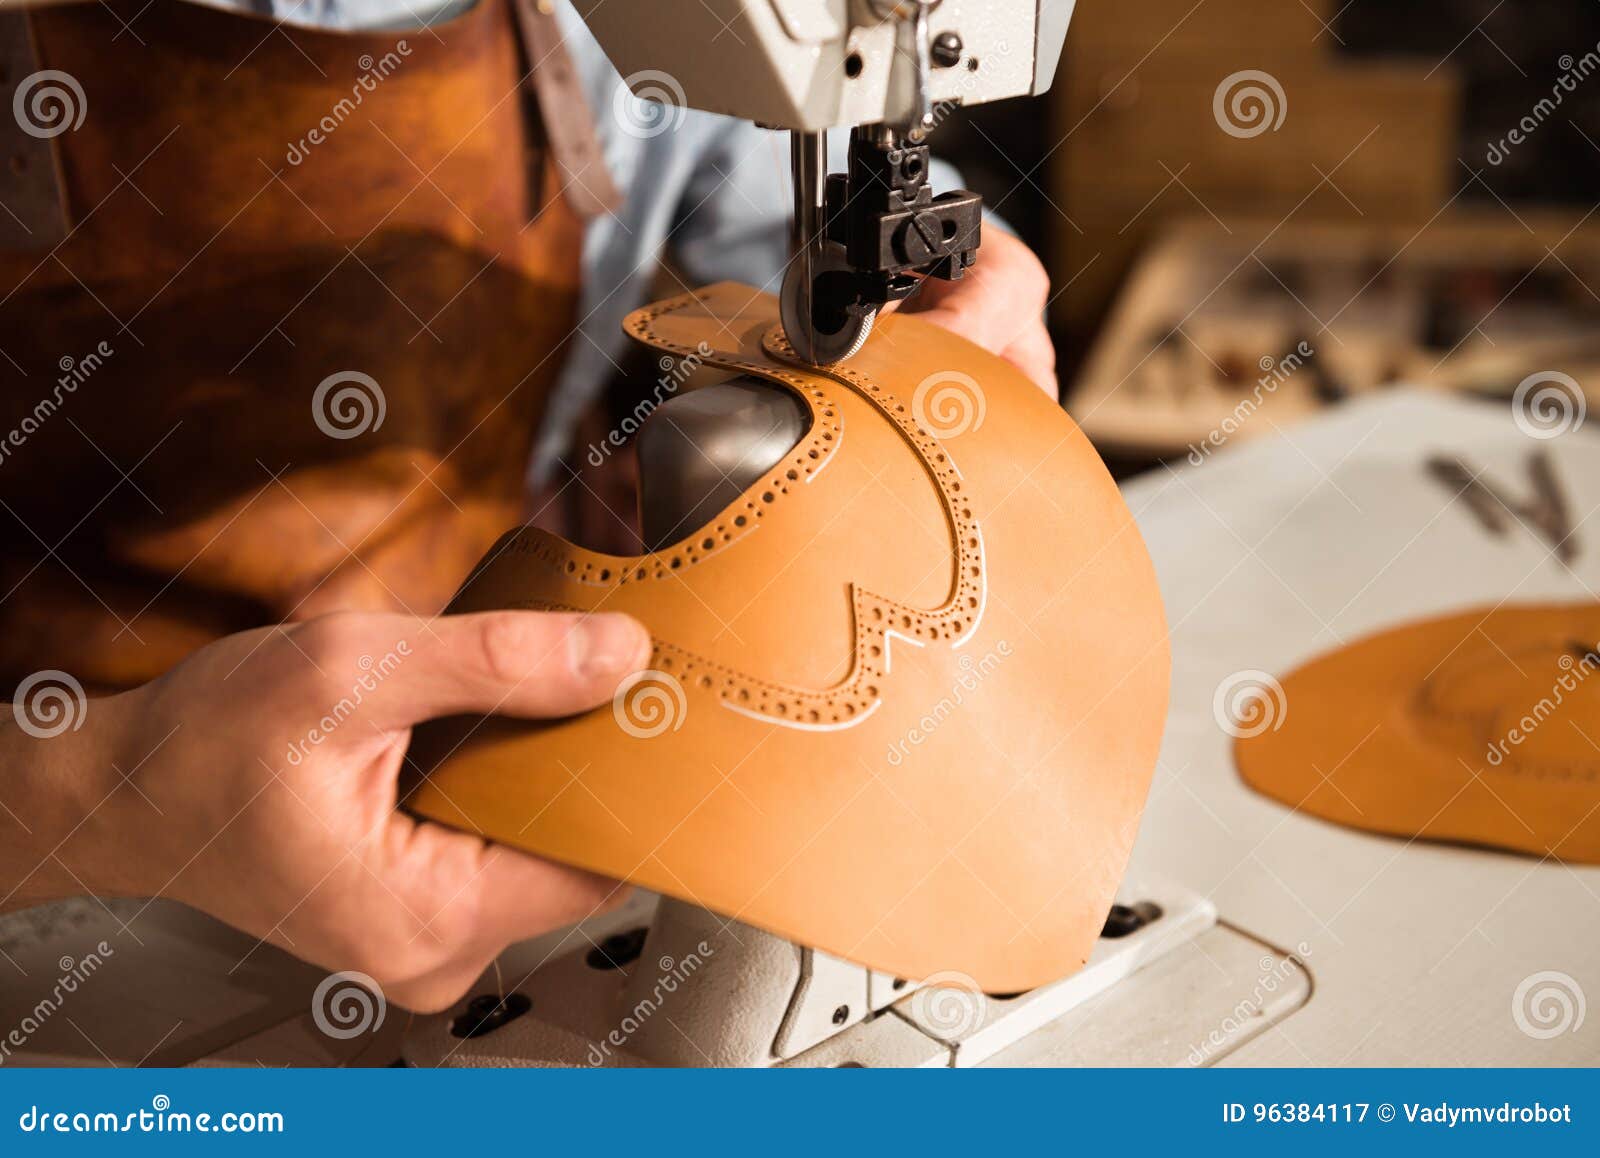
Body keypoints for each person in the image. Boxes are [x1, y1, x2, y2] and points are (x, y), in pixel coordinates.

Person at [0, 0, 1055, 1011]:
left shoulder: (674, 31)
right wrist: (98, 793)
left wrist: (954, 272)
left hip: (488, 735)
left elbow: (801, 157)